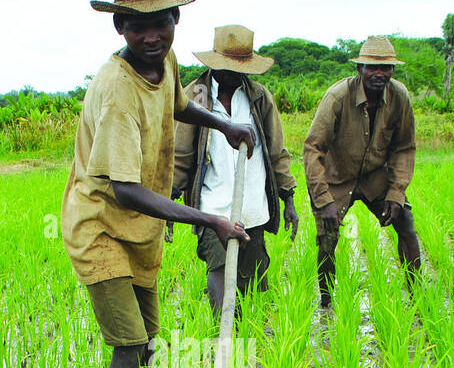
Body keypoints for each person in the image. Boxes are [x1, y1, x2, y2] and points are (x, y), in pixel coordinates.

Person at [61, 0, 255, 368]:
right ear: (120, 27)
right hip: (101, 228)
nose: (151, 36)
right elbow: (125, 190)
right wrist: (208, 219)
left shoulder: (162, 60)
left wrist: (224, 124)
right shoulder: (116, 91)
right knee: (129, 346)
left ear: (176, 20)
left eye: (161, 23)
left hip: (140, 230)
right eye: (137, 26)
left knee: (149, 340)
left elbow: (180, 106)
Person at [172, 25, 298, 315]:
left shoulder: (259, 98)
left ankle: (250, 342)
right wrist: (171, 196)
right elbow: (180, 154)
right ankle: (224, 338)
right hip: (213, 205)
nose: (231, 74)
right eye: (226, 67)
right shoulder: (195, 97)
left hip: (252, 203)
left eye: (239, 67)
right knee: (218, 269)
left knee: (252, 281)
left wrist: (288, 198)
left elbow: (277, 151)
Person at [303, 36, 420, 308]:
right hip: (337, 176)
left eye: (385, 68)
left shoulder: (399, 97)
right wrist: (324, 200)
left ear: (392, 71)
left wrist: (396, 191)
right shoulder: (337, 97)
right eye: (371, 67)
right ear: (359, 69)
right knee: (327, 237)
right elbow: (312, 149)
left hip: (373, 175)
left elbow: (405, 147)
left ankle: (417, 293)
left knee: (406, 221)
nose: (379, 74)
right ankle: (327, 301)